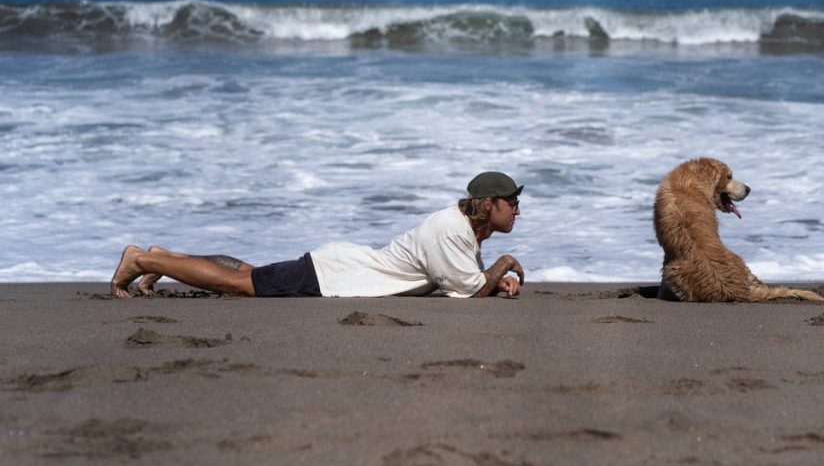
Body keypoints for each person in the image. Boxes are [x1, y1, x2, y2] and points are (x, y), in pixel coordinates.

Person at [110, 172, 525, 299]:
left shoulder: (463, 227)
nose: (517, 210)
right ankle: (144, 260)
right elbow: (469, 293)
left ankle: (166, 257)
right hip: (335, 277)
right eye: (511, 202)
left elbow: (467, 274)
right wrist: (503, 265)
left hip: (341, 267)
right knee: (242, 285)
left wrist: (494, 275)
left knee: (253, 273)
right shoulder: (449, 230)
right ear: (489, 205)